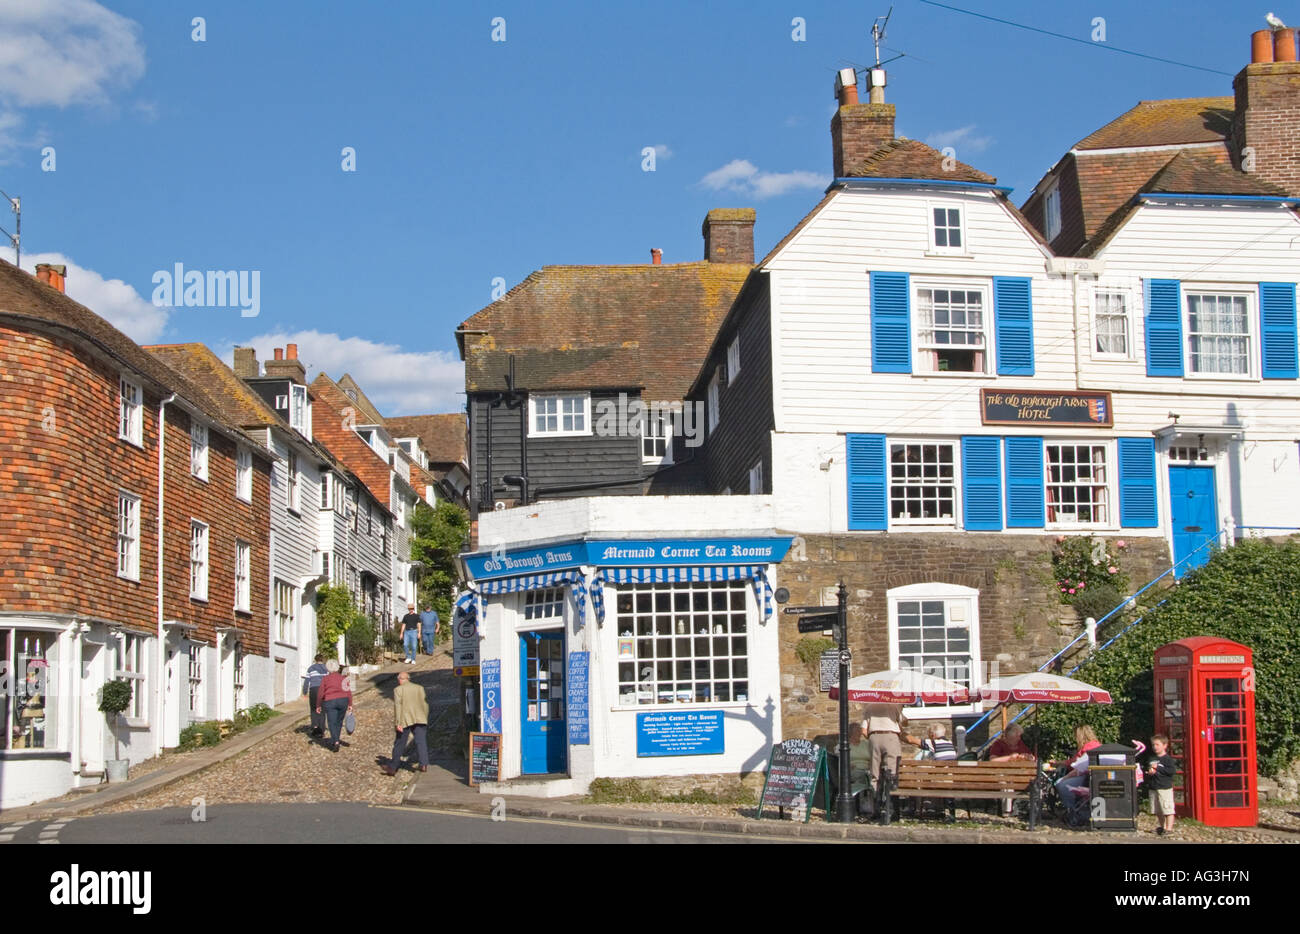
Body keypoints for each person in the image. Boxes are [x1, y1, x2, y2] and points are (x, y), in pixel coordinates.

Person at [384, 669, 431, 775]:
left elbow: (398, 706)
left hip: (405, 719)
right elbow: (425, 704)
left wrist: (398, 723)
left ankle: (393, 766)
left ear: (401, 679)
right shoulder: (419, 688)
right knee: (421, 741)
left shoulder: (398, 690)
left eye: (399, 679)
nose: (398, 681)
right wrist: (424, 716)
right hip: (420, 718)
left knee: (400, 743)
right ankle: (423, 764)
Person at [1054, 725, 1101, 824]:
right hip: (1091, 777)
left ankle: (1072, 811)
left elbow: (1079, 767)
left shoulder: (1089, 747)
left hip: (1087, 777)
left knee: (1063, 786)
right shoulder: (1093, 745)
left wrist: (1063, 778)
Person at [863, 703, 923, 781]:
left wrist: (872, 739)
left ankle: (874, 789)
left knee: (875, 768)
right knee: (892, 766)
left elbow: (864, 731)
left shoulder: (869, 707)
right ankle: (890, 787)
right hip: (890, 736)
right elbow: (904, 722)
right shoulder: (893, 705)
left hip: (874, 736)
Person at [315, 658, 353, 751]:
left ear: (328, 668)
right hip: (343, 700)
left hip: (330, 701)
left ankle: (335, 741)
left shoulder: (325, 679)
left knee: (332, 722)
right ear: (337, 667)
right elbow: (348, 691)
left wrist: (318, 705)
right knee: (339, 722)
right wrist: (350, 704)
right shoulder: (343, 678)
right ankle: (336, 739)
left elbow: (320, 693)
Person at [1145, 734, 1177, 836]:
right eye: (1153, 745)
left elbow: (1171, 771)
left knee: (1167, 808)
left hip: (1164, 787)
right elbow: (1148, 770)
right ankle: (1162, 827)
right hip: (1154, 786)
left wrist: (1158, 768)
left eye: (1157, 745)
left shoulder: (1168, 759)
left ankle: (1169, 828)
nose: (1155, 747)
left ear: (1165, 745)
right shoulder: (1151, 758)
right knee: (1158, 810)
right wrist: (1149, 773)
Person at [302, 654, 329, 736]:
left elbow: (307, 681)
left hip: (313, 689)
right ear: (323, 660)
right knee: (322, 710)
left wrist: (304, 691)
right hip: (323, 690)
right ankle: (322, 729)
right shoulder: (326, 669)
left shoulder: (311, 668)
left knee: (314, 709)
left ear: (315, 660)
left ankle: (315, 727)